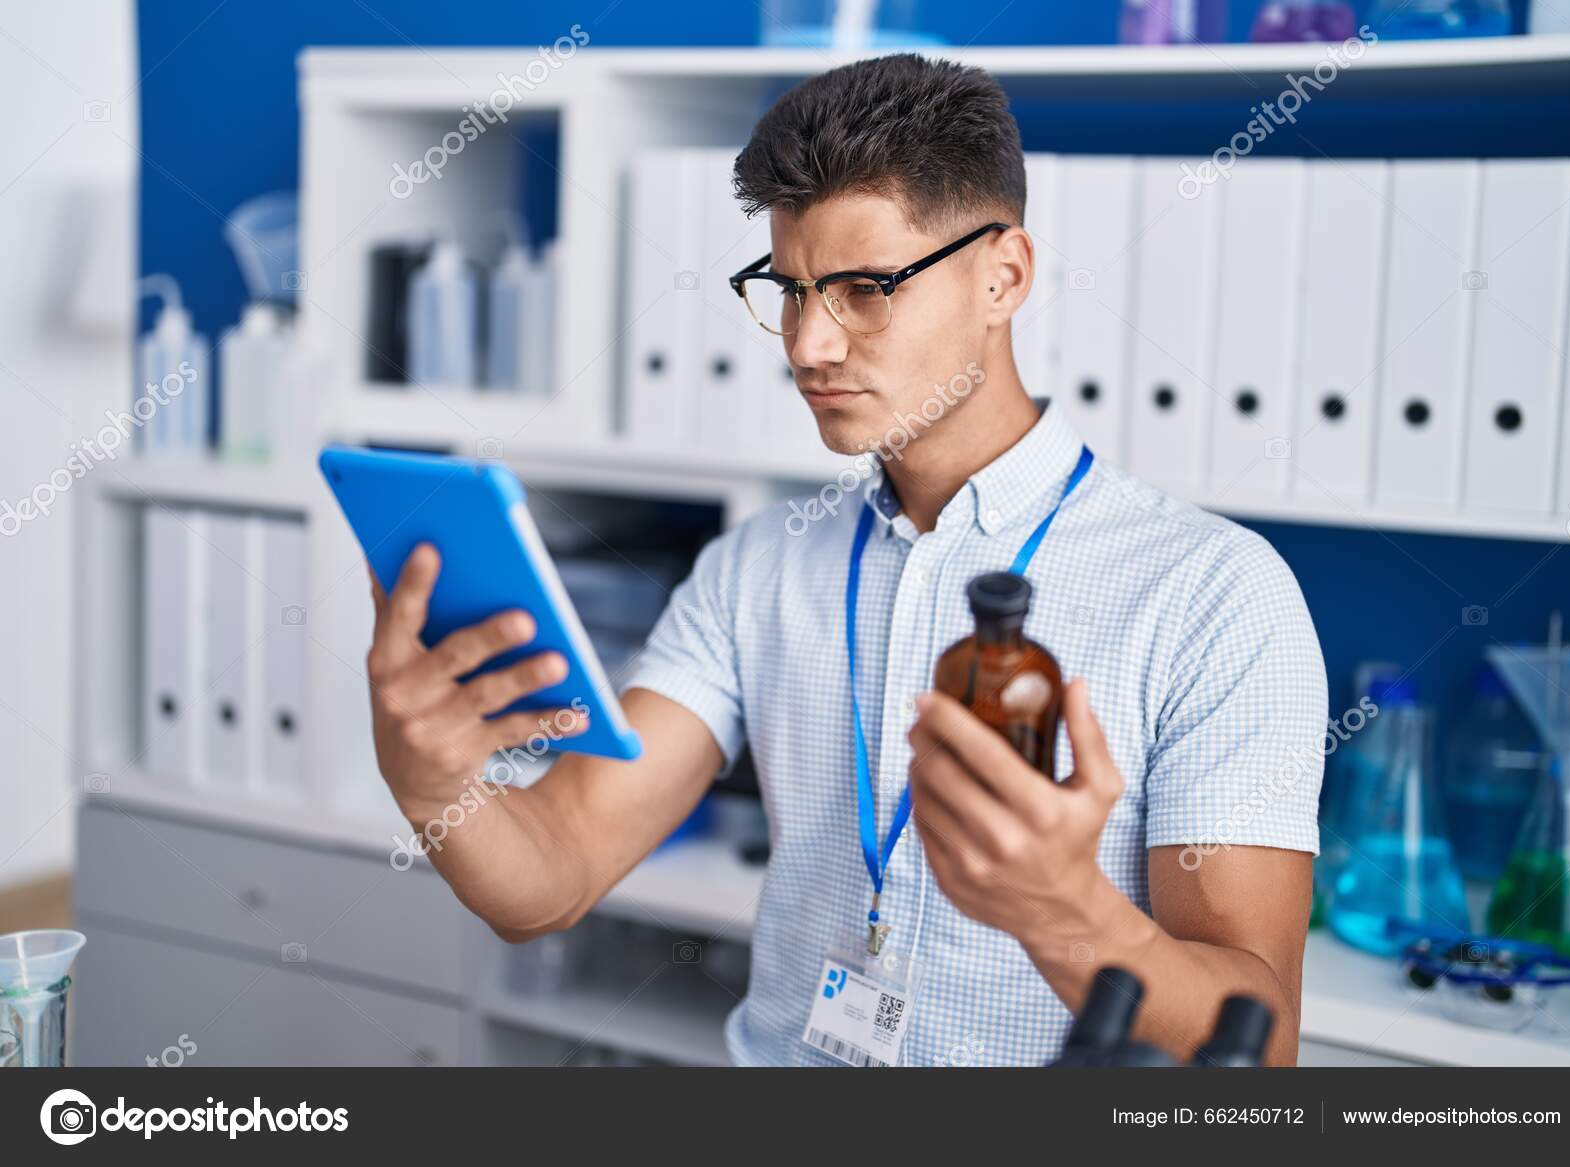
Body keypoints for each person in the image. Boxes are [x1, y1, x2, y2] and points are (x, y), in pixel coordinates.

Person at [363, 53, 1327, 1066]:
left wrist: (1065, 912)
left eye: (865, 289)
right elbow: (552, 875)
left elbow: (1259, 1043)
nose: (808, 346)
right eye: (789, 291)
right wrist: (434, 786)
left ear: (1002, 277)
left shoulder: (1214, 592)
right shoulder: (753, 571)